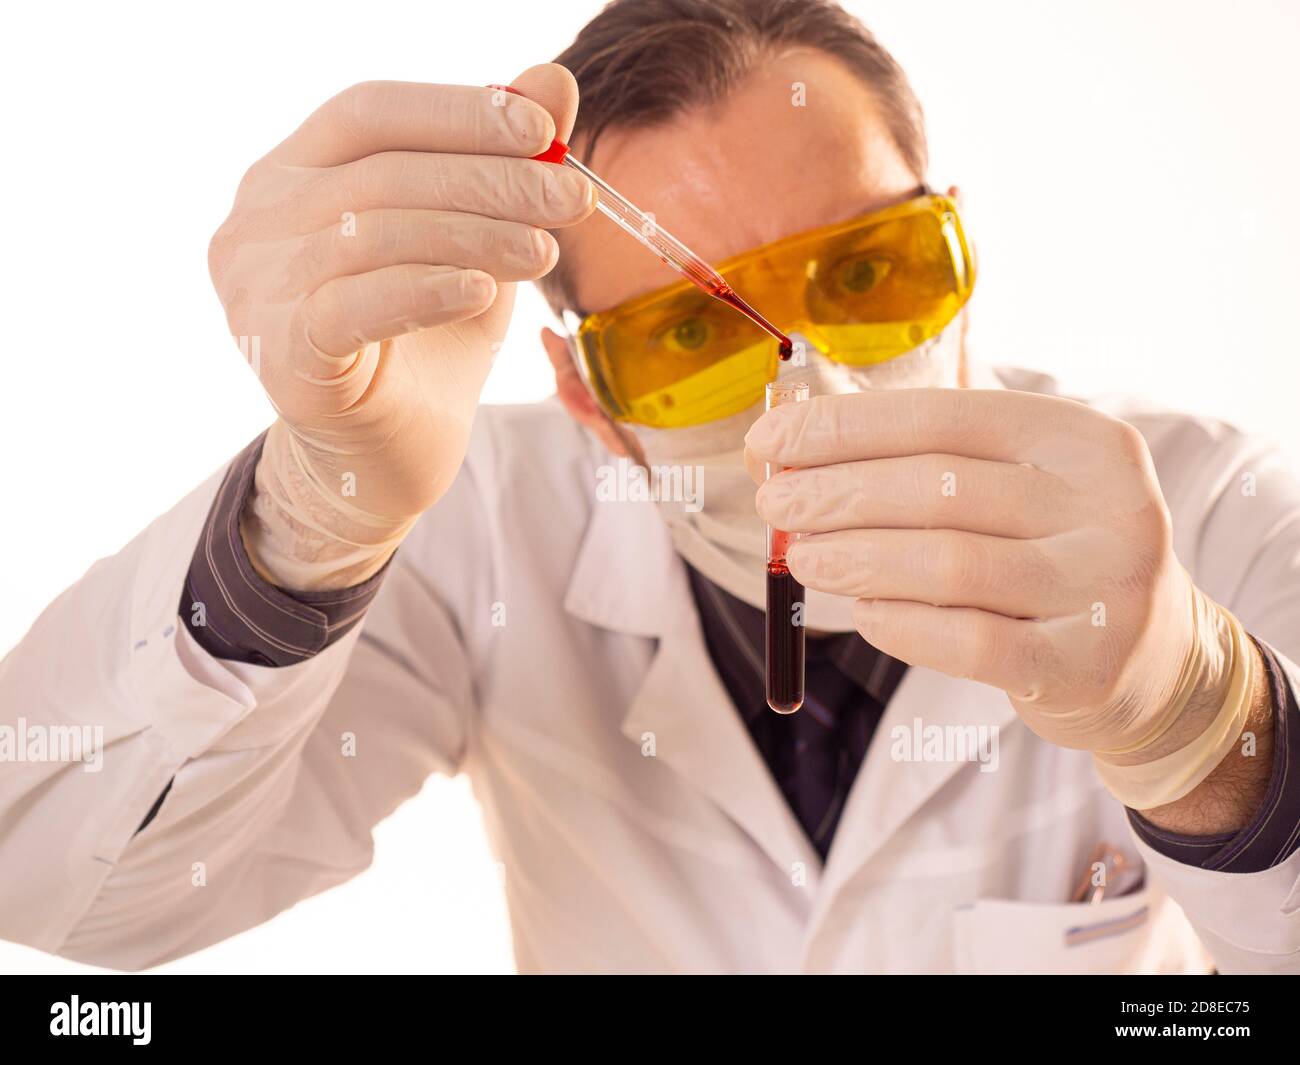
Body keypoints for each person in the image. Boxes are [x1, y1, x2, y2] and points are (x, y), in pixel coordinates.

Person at [2, 0, 1298, 974]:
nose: (810, 394)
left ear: (958, 245)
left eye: (862, 274)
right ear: (588, 400)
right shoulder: (480, 525)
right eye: (687, 339)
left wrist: (1197, 718)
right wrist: (310, 523)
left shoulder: (1197, 508)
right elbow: (69, 888)